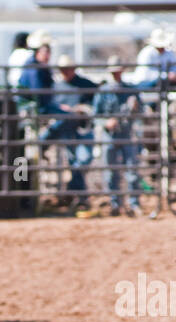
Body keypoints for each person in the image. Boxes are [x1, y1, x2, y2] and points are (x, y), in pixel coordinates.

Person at [47, 54, 98, 210]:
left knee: (82, 160)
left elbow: (96, 103)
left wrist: (83, 110)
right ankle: (82, 198)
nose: (66, 72)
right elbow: (51, 106)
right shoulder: (57, 87)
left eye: (68, 68)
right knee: (74, 162)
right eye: (63, 69)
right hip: (67, 128)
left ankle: (70, 191)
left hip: (83, 127)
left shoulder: (85, 84)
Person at [93, 56, 142, 216]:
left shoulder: (130, 90)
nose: (116, 74)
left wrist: (136, 107)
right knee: (111, 171)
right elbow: (96, 115)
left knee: (131, 171)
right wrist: (106, 122)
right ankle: (115, 204)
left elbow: (141, 111)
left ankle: (134, 204)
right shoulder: (103, 91)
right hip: (110, 135)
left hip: (127, 133)